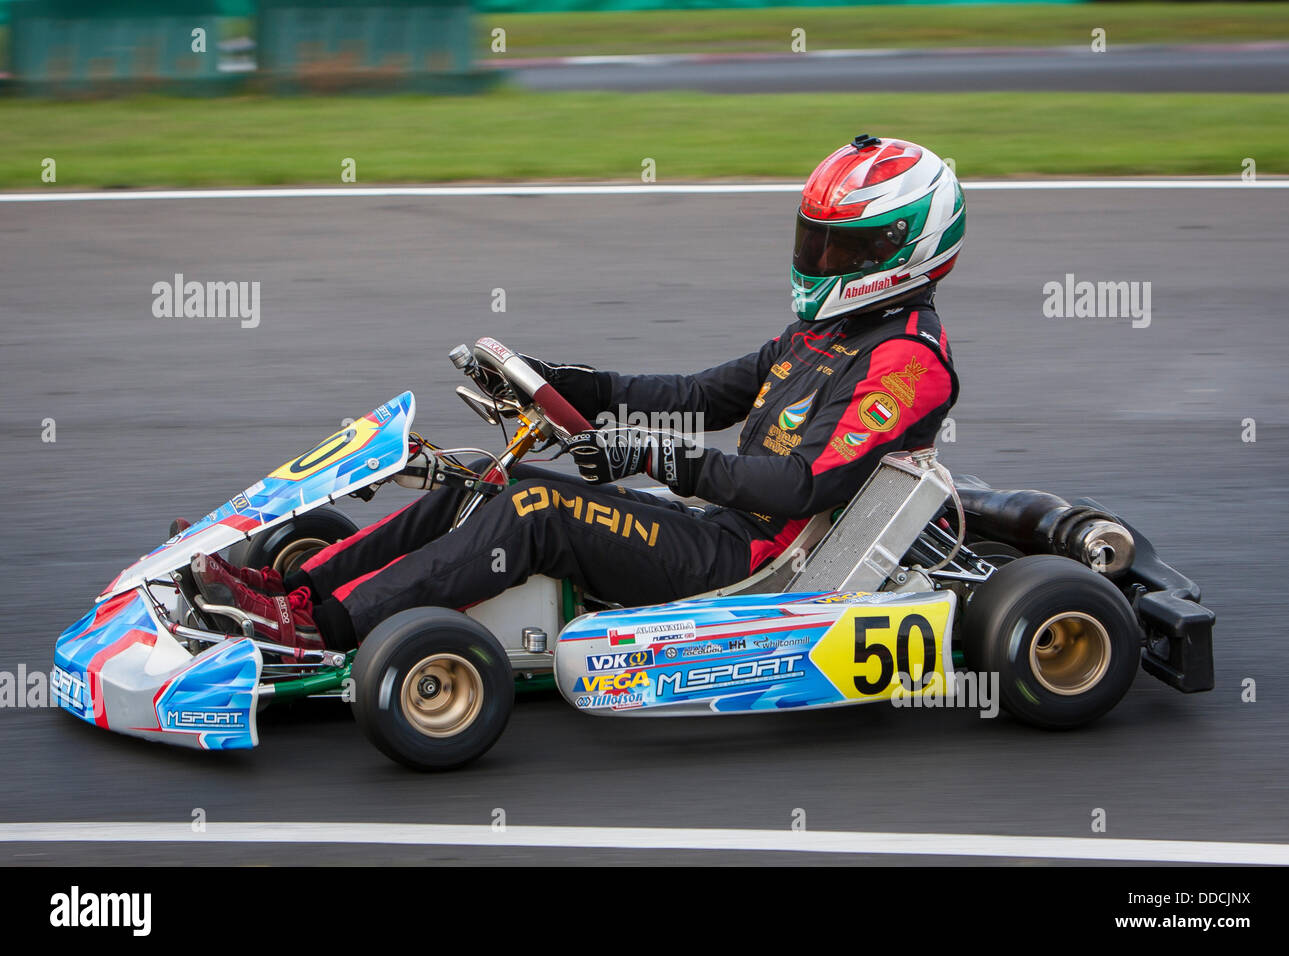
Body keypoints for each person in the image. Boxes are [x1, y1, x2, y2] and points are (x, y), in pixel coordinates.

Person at [191, 134, 966, 653]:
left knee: (538, 512)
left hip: (756, 561)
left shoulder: (905, 362)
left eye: (846, 246)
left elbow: (806, 484)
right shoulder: (826, 332)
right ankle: (290, 590)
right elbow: (697, 394)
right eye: (817, 239)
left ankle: (321, 629)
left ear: (907, 249)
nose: (823, 257)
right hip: (718, 527)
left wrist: (664, 459)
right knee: (489, 480)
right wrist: (572, 384)